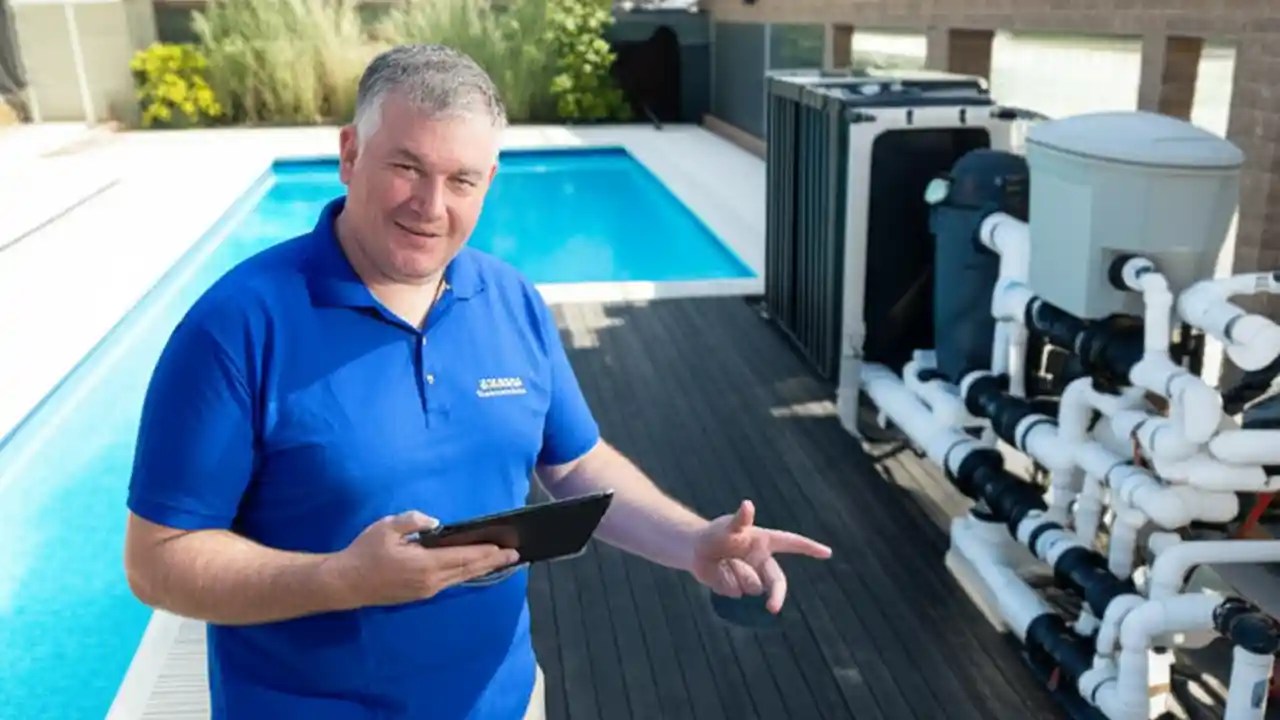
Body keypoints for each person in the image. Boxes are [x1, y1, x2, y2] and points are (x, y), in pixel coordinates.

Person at [123, 43, 833, 720]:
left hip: (505, 700)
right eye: (406, 166)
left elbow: (575, 461)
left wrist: (692, 542)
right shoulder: (238, 327)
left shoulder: (510, 299)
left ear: (488, 182)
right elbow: (158, 561)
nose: (431, 205)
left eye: (461, 179)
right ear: (349, 154)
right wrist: (341, 580)